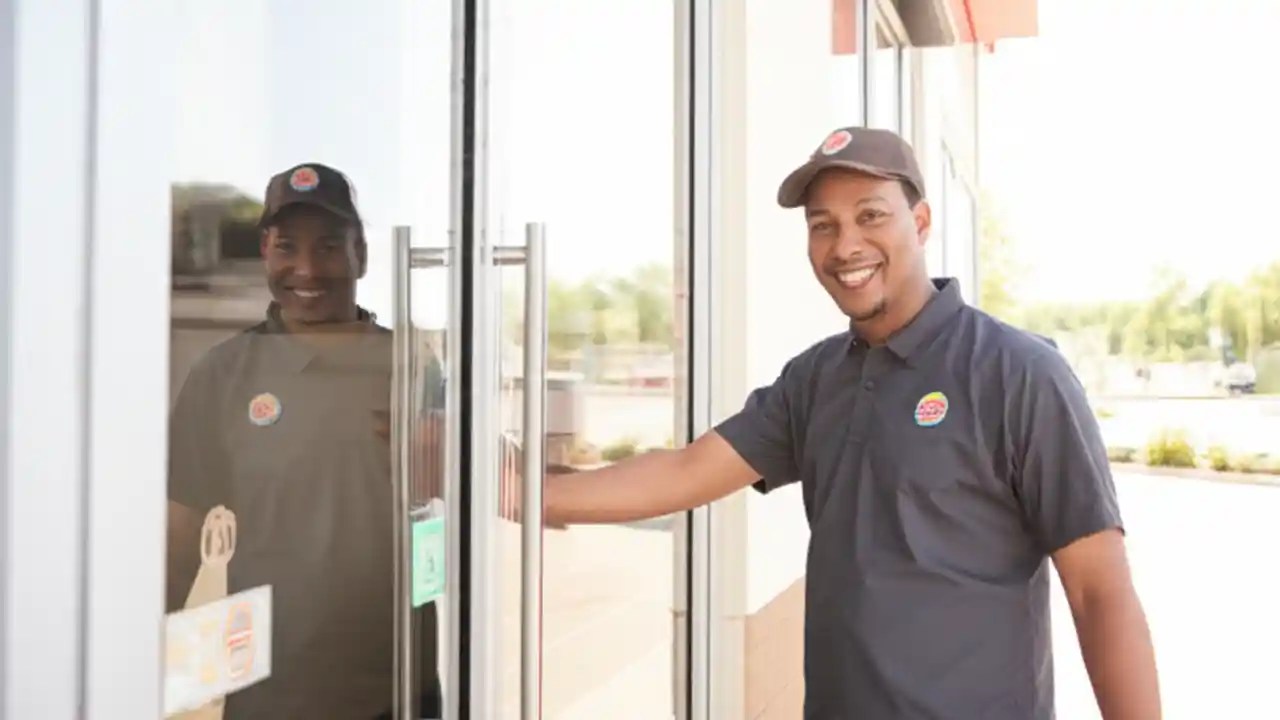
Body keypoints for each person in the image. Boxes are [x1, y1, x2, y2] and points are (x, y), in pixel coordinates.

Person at [544, 128, 1161, 718]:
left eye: (871, 215)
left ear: (919, 223)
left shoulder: (1019, 373)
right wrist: (523, 491)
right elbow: (684, 472)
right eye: (823, 226)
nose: (845, 246)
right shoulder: (813, 381)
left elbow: (1099, 592)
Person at [166, 163, 445, 719]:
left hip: (396, 694)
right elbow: (179, 535)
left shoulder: (413, 365)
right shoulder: (223, 375)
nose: (306, 268)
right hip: (271, 696)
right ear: (266, 253)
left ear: (360, 254)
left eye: (328, 247)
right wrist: (138, 671)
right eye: (287, 246)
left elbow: (455, 492)